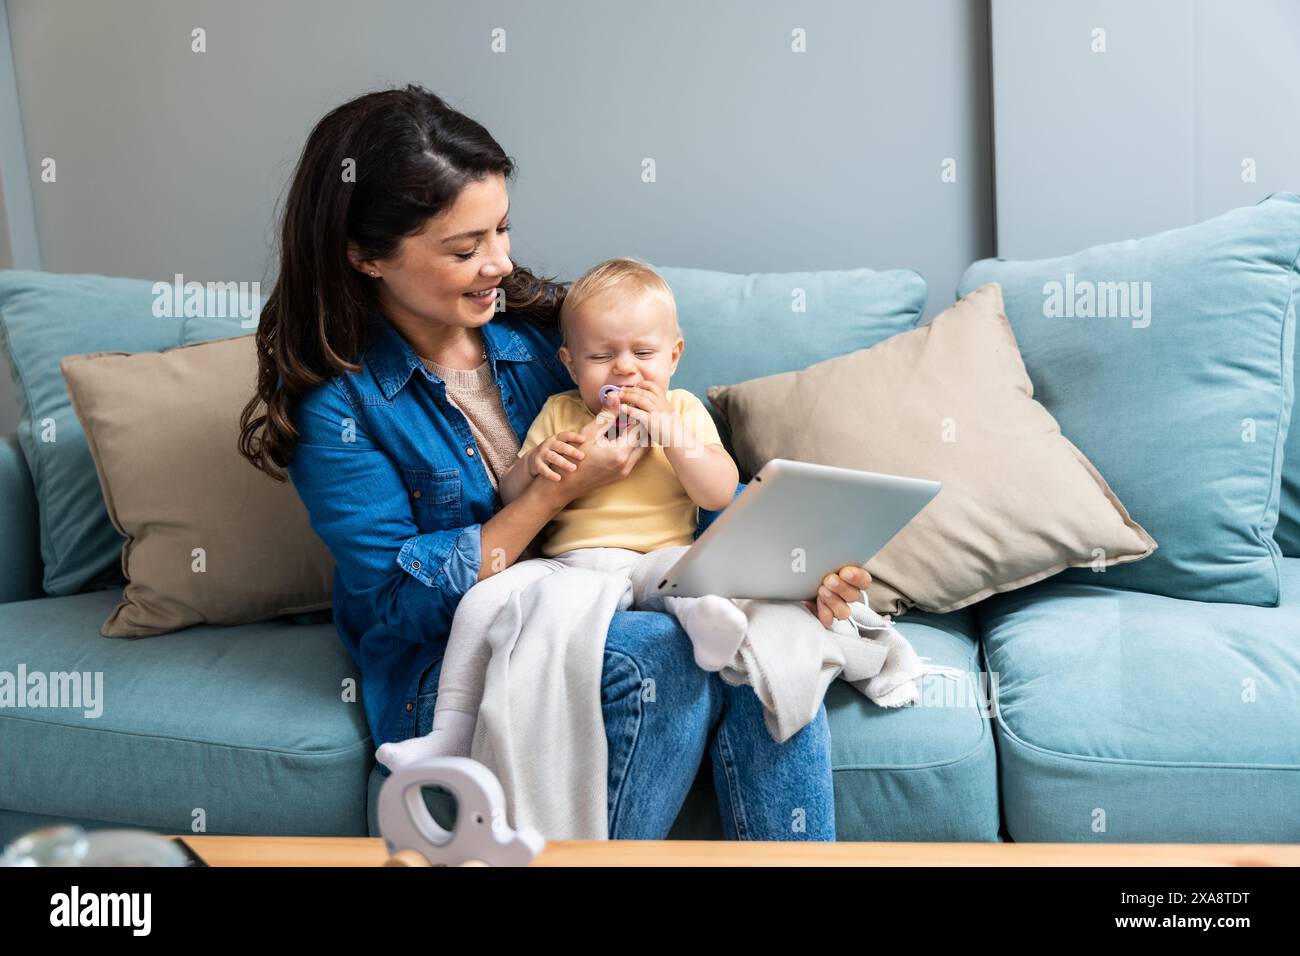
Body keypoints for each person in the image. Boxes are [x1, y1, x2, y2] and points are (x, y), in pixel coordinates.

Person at [237, 84, 874, 840]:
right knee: (660, 656)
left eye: (502, 229)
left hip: (619, 592)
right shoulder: (340, 407)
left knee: (771, 646)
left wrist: (790, 570)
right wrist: (550, 494)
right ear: (366, 256)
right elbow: (399, 607)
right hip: (450, 657)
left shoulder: (551, 336)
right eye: (465, 249)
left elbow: (684, 481)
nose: (501, 264)